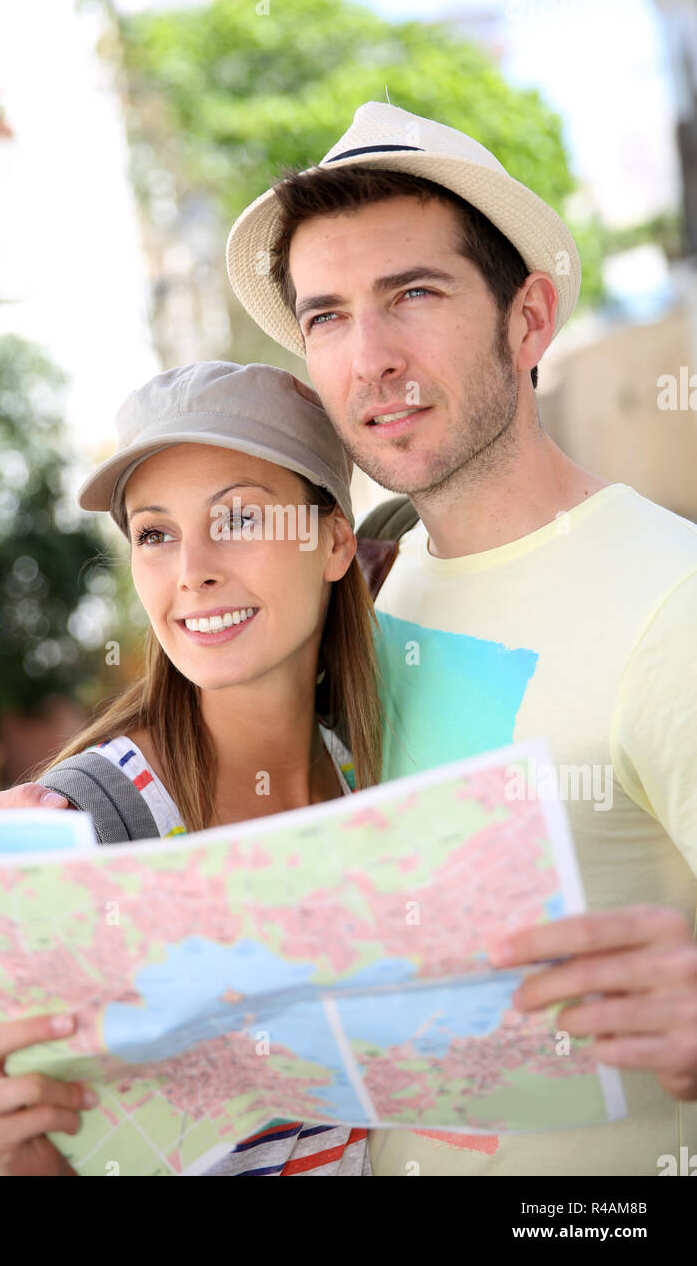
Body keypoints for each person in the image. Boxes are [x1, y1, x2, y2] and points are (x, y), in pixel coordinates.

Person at [223, 99, 697, 1176]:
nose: (367, 359)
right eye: (326, 315)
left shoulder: (671, 602)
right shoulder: (368, 598)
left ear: (526, 318)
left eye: (412, 296)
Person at [0, 359, 381, 1177]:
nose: (192, 570)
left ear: (332, 540)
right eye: (155, 533)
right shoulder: (87, 834)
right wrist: (16, 1149)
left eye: (240, 518)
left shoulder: (363, 774)